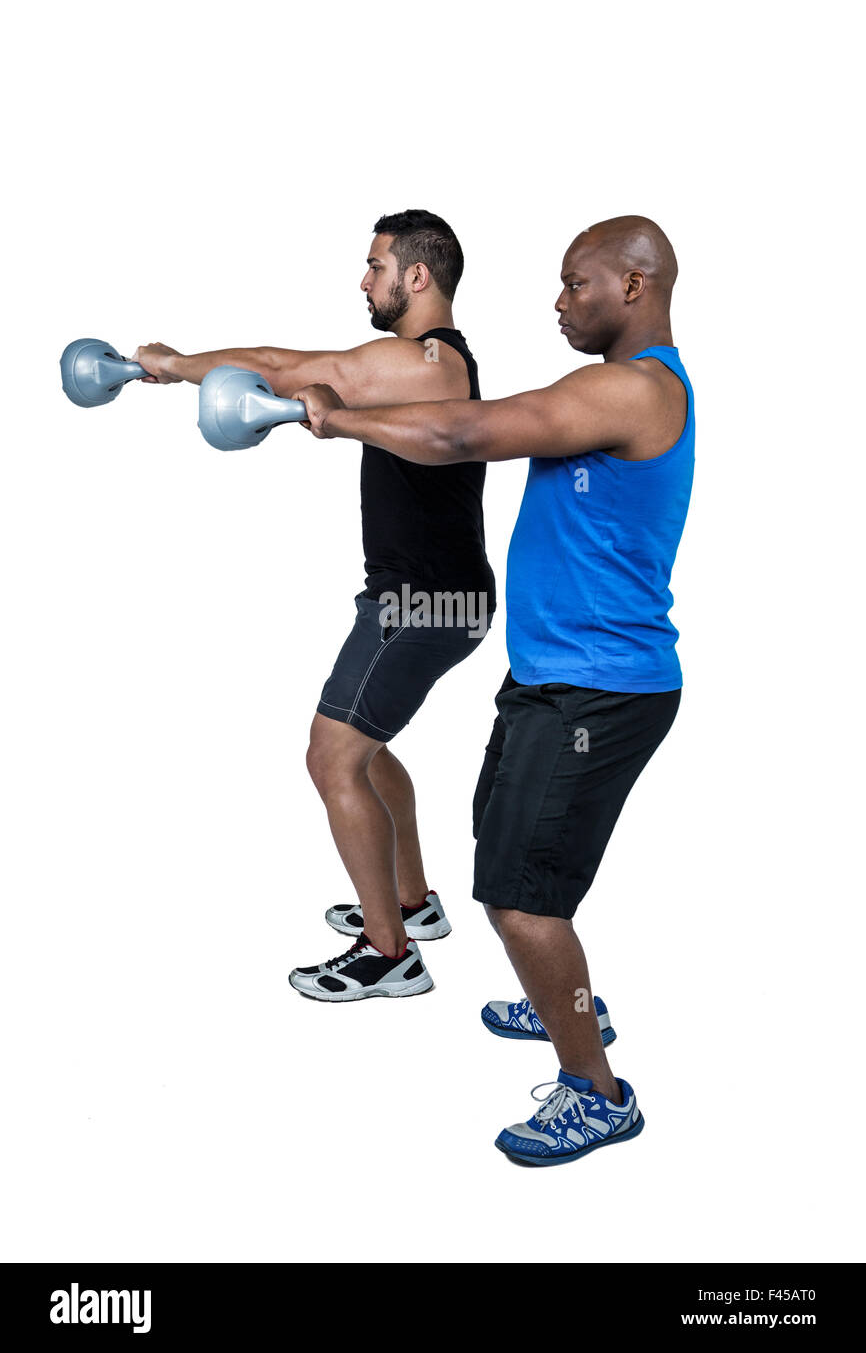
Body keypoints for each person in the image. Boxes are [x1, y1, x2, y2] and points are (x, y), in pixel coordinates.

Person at [295, 215, 694, 1166]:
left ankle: (595, 1090)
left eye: (575, 285)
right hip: (553, 675)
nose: (559, 303)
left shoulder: (633, 389)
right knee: (511, 858)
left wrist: (337, 416)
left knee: (521, 900)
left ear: (633, 288)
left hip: (598, 691)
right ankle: (563, 996)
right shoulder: (614, 385)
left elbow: (464, 431)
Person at [131, 210, 496, 1002]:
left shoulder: (427, 362)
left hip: (423, 603)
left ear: (418, 277)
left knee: (330, 757)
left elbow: (280, 364)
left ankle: (388, 952)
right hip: (429, 595)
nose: (364, 282)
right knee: (366, 746)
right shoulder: (430, 362)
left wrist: (174, 362)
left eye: (375, 267)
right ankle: (411, 903)